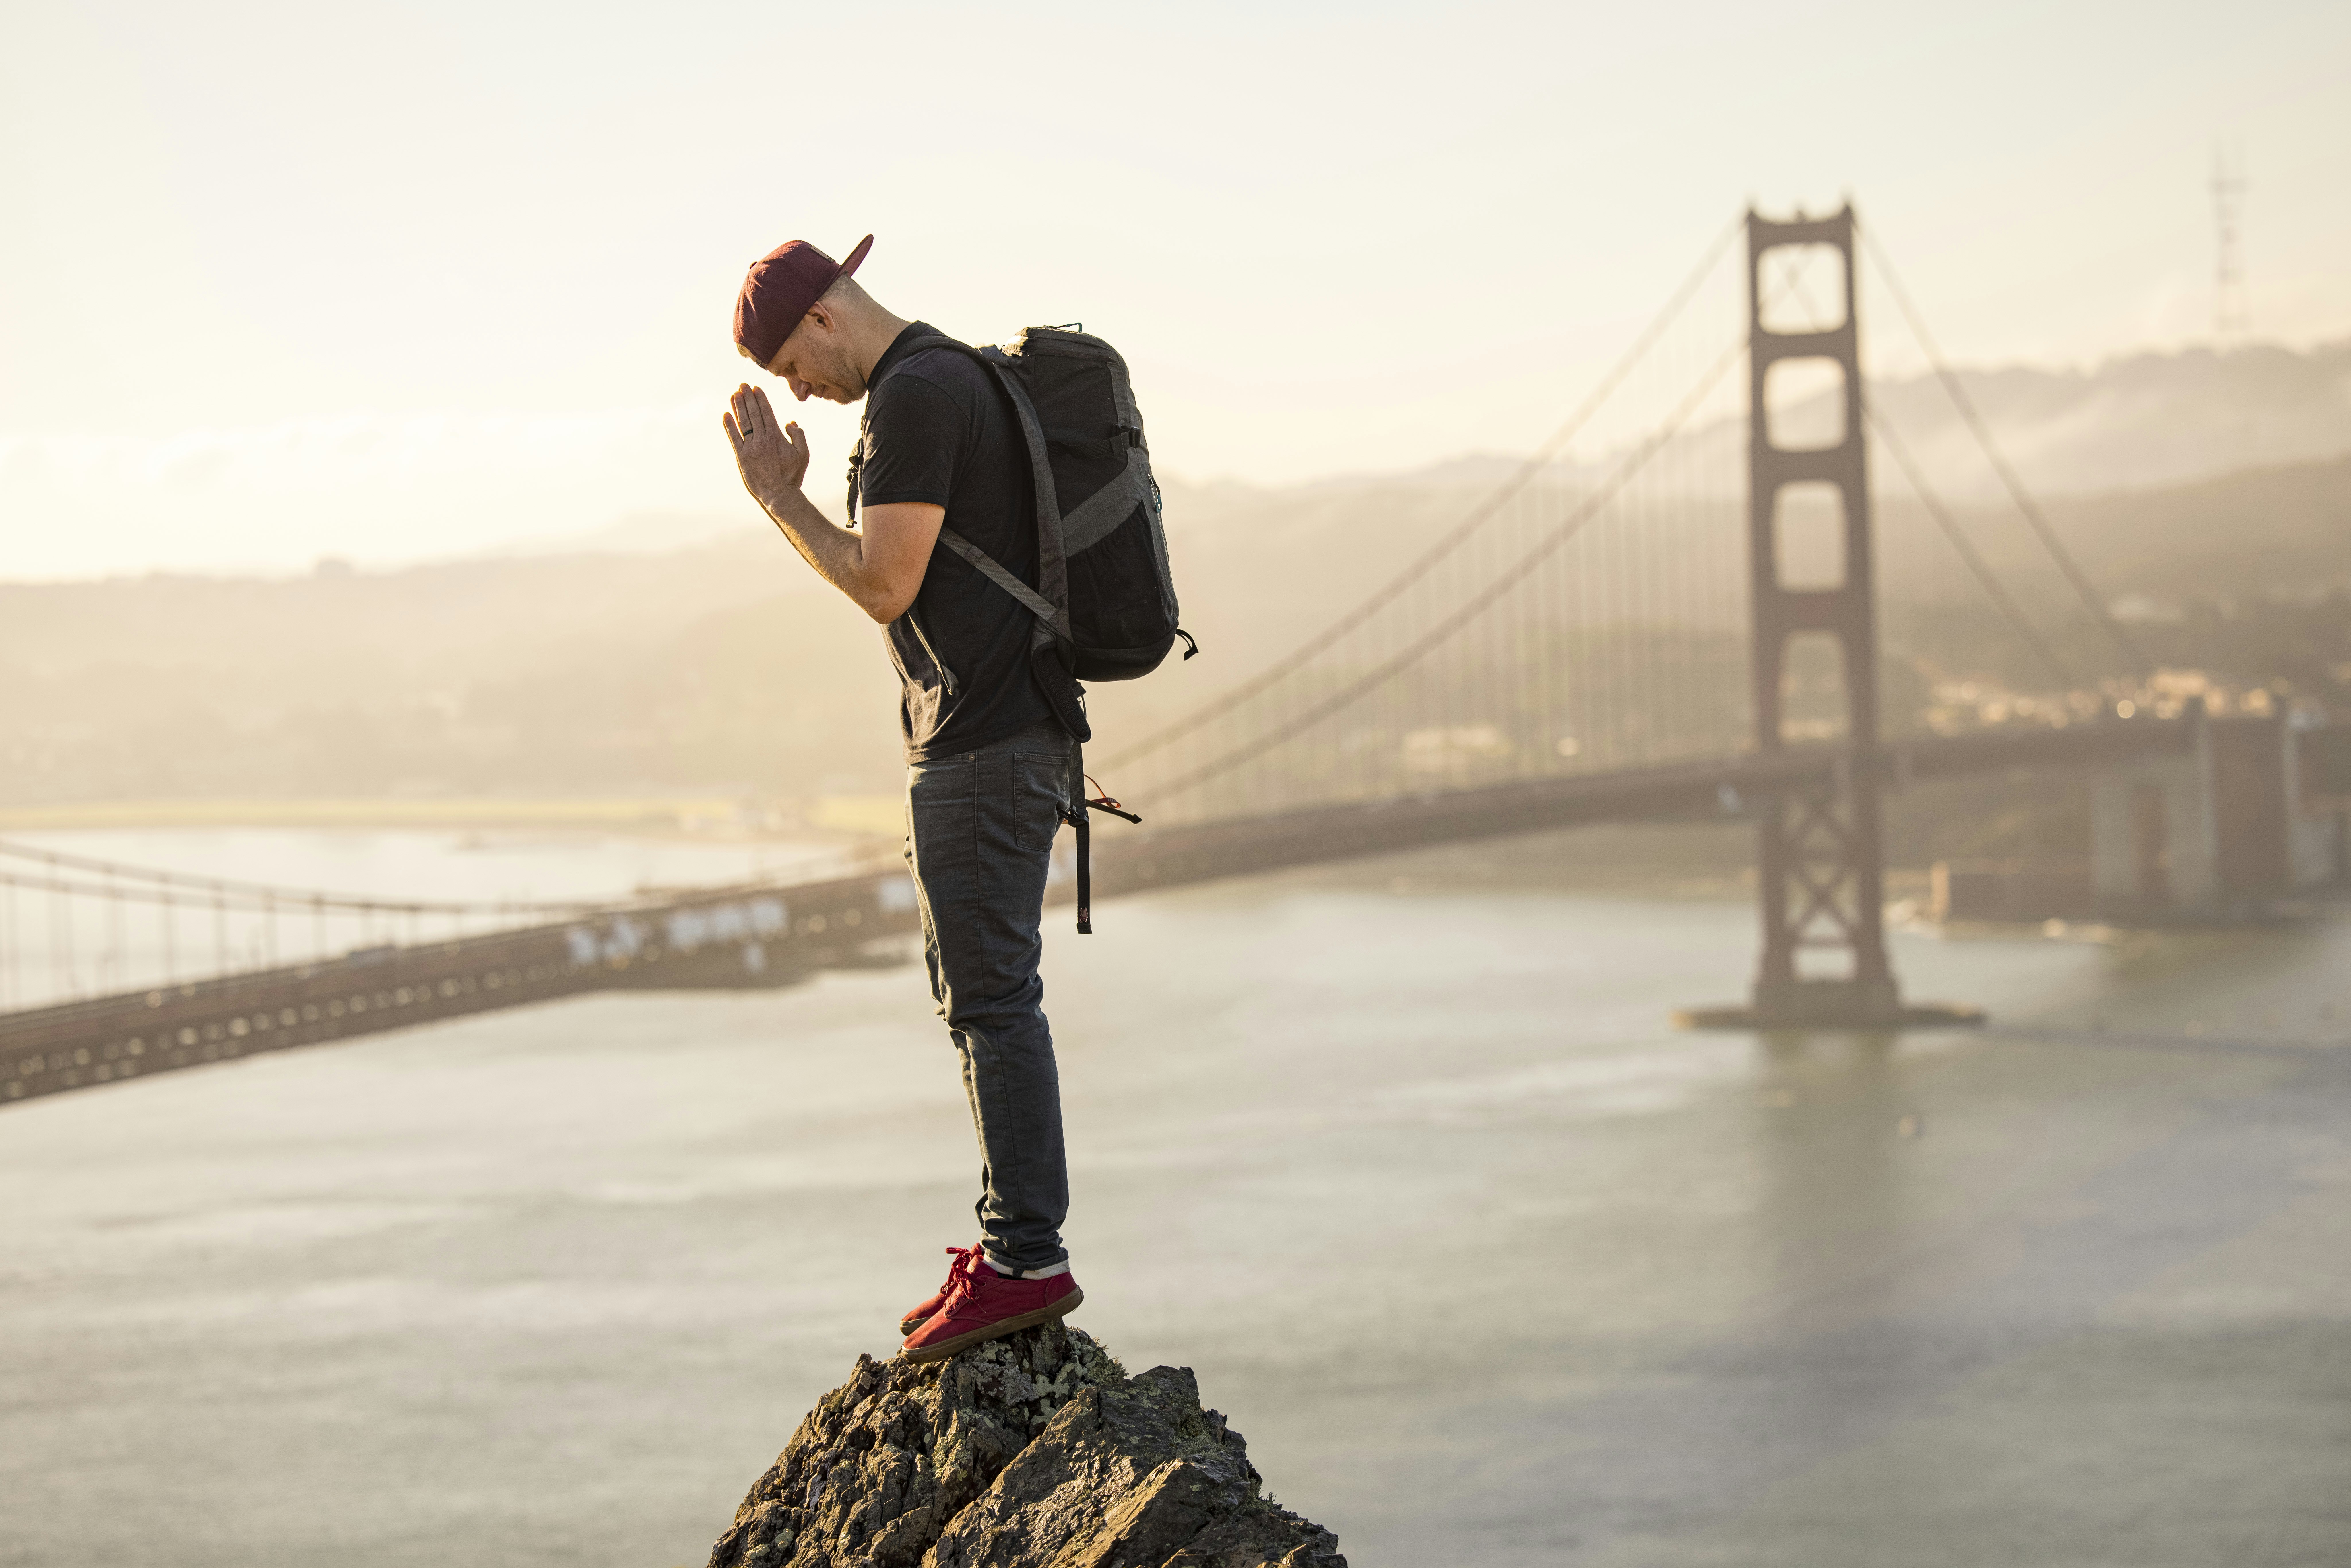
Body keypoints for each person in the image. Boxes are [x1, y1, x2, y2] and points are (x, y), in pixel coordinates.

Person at [721, 235, 1081, 1363]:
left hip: (977, 744)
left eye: (791, 366)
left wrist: (781, 501)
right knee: (977, 993)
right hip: (1002, 735)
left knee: (989, 1001)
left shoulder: (914, 397)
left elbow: (886, 583)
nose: (798, 393)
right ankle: (1010, 1243)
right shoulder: (953, 372)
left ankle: (1027, 1258)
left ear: (824, 320)